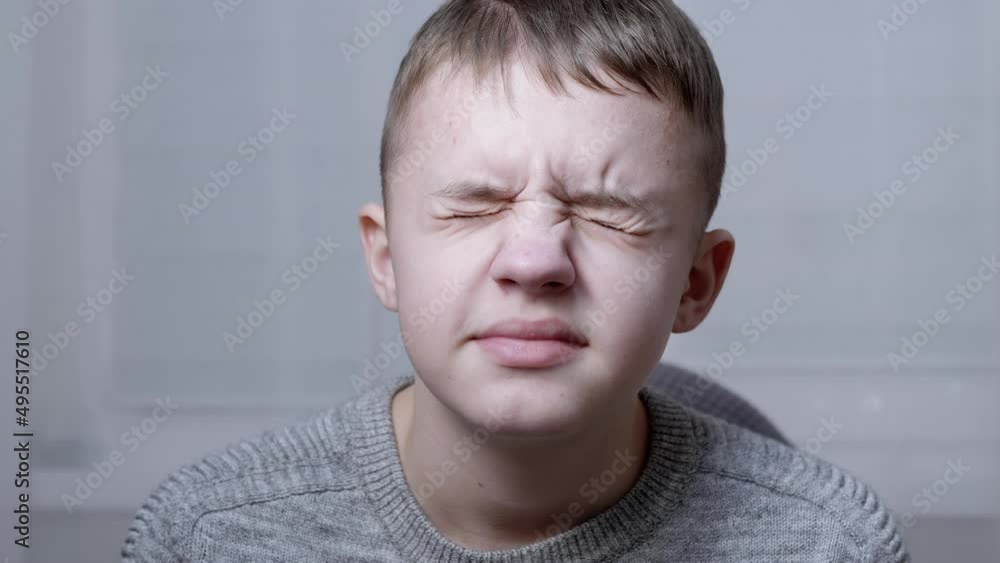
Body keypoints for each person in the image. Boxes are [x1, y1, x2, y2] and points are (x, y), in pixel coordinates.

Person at [121, 1, 910, 560]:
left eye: (609, 214)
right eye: (473, 207)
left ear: (696, 284)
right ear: (387, 258)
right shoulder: (206, 536)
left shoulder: (830, 542)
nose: (535, 262)